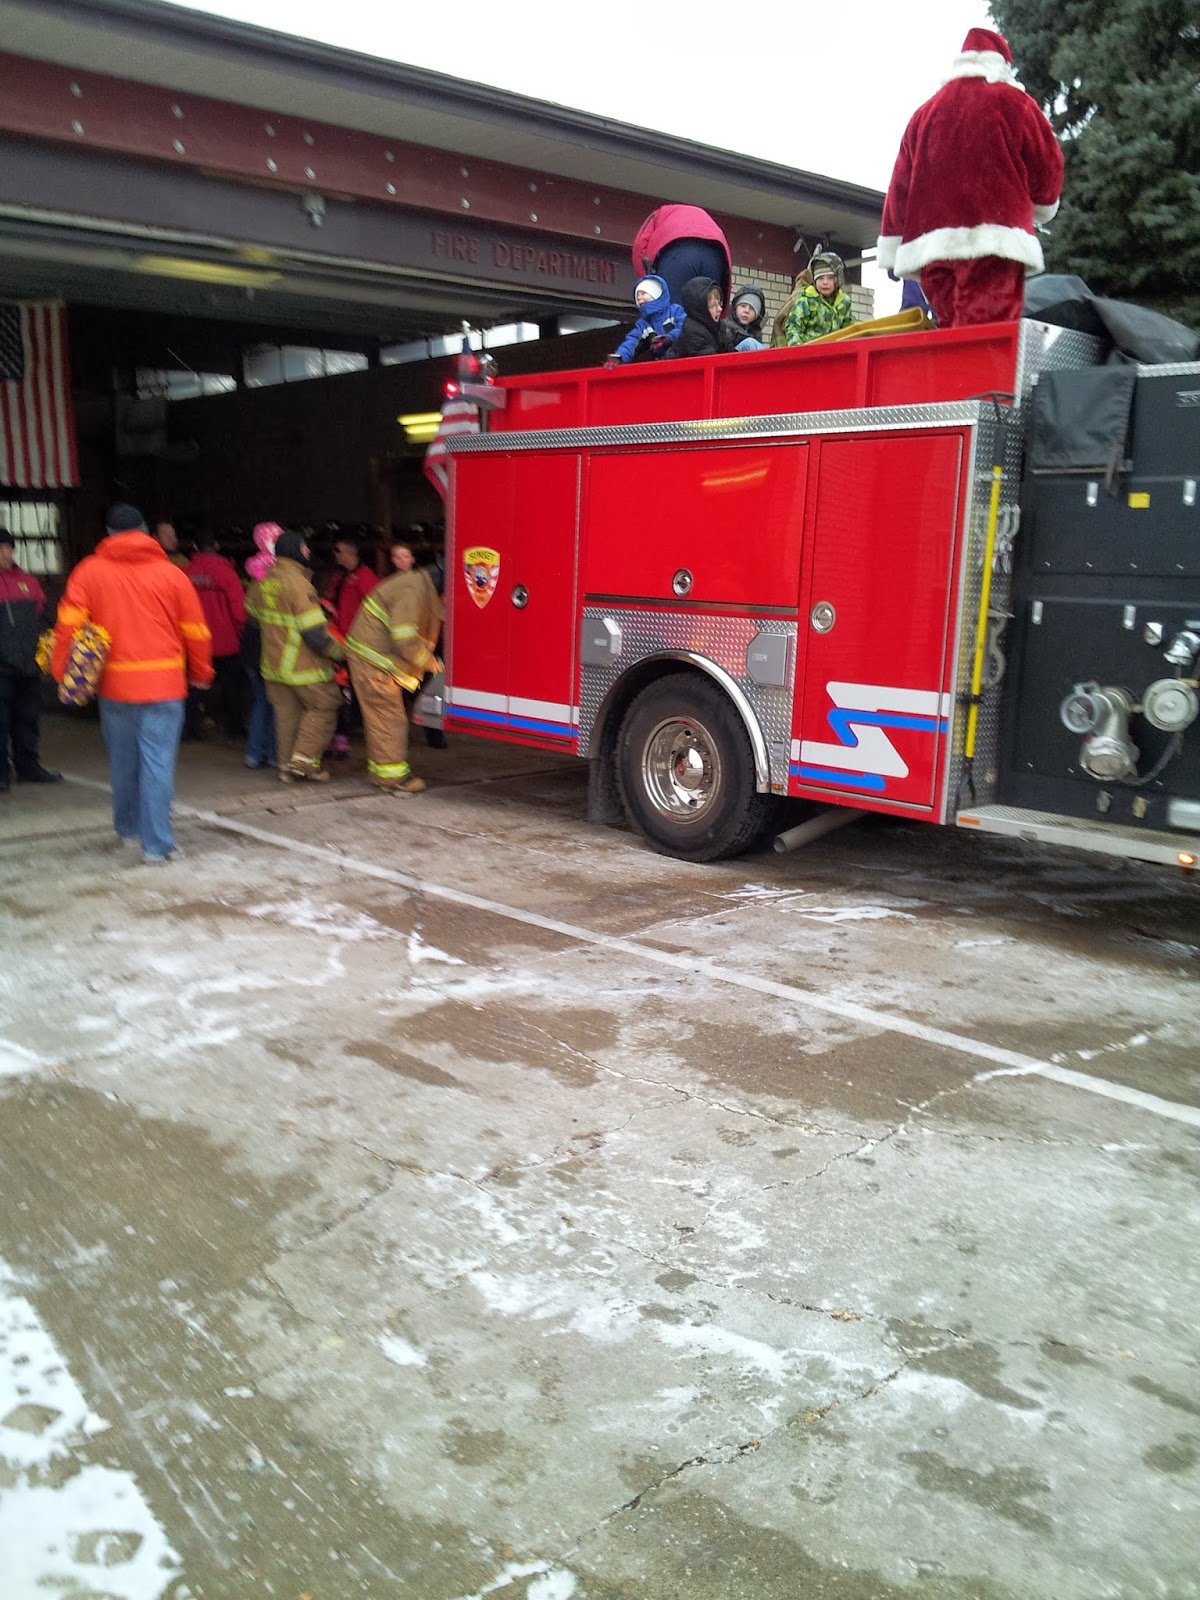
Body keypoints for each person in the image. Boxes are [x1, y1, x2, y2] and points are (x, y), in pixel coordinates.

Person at [51, 503, 213, 862]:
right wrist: (201, 673)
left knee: (123, 763)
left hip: (115, 689)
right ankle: (156, 846)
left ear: (107, 535)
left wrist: (62, 674)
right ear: (145, 532)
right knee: (157, 764)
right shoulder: (172, 575)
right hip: (164, 687)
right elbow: (196, 632)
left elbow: (68, 626)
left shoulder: (88, 572)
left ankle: (128, 831)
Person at [877, 27, 1064, 330]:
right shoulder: (1015, 102)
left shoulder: (923, 114)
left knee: (951, 331)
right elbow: (1048, 164)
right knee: (987, 333)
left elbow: (899, 185)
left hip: (931, 249)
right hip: (995, 239)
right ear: (1001, 63)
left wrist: (894, 239)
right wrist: (1041, 204)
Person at [345, 542, 444, 795]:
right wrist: (430, 663)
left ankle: (382, 773)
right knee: (390, 719)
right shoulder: (413, 591)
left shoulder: (417, 585)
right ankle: (393, 778)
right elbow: (405, 640)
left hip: (370, 657)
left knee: (382, 719)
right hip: (373, 661)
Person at [245, 528, 344, 783]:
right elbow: (315, 633)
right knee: (325, 705)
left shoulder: (262, 581)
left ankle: (285, 769)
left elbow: (253, 619)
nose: (308, 551)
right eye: (304, 547)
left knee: (286, 717)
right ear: (295, 550)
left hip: (273, 666)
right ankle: (305, 762)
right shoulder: (299, 585)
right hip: (302, 667)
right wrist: (341, 653)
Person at [0, 528, 61, 792]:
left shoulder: (29, 582)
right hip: (1, 667)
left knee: (28, 719)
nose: (5, 553)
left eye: (8, 548)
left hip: (29, 665)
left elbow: (45, 619)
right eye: (1, 548)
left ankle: (29, 768)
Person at [185, 530, 246, 740]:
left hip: (196, 643)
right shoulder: (227, 573)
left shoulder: (186, 573)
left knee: (195, 688)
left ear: (194, 546)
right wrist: (240, 634)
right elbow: (239, 612)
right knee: (232, 688)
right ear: (217, 545)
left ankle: (189, 730)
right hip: (226, 642)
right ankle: (234, 729)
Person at [323, 535, 379, 756]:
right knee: (340, 691)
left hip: (358, 644)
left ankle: (344, 736)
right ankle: (338, 736)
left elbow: (375, 608)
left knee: (352, 692)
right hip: (339, 642)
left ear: (349, 553)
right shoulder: (339, 578)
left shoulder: (365, 577)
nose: (335, 555)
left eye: (338, 550)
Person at [632, 204, 732, 314]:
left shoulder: (658, 214)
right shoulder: (703, 218)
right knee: (706, 315)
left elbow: (640, 246)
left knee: (670, 314)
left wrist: (648, 278)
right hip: (715, 253)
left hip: (679, 250)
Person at [240, 522, 279, 769]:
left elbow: (248, 612)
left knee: (261, 702)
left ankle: (255, 753)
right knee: (274, 704)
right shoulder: (277, 576)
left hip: (251, 648)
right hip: (268, 650)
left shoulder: (255, 578)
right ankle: (273, 754)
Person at [605, 274, 686, 366]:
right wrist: (620, 357)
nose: (639, 298)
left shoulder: (675, 311)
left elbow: (684, 328)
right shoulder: (643, 324)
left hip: (684, 359)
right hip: (662, 364)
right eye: (637, 296)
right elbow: (632, 342)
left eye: (643, 293)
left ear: (656, 293)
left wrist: (669, 338)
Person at [777, 252, 855, 345]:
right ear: (814, 280)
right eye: (820, 278)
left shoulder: (844, 302)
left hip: (835, 351)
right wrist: (797, 350)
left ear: (838, 279)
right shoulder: (806, 300)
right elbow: (793, 327)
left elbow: (849, 329)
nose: (825, 282)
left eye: (830, 278)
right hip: (809, 352)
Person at [668, 277, 736, 360]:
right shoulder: (693, 332)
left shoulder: (719, 325)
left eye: (719, 303)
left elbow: (731, 351)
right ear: (701, 309)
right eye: (713, 306)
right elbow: (711, 360)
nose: (720, 309)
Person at [728, 285, 769, 351]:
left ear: (757, 315)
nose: (746, 311)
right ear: (735, 308)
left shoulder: (756, 332)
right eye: (743, 306)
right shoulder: (725, 326)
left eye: (752, 308)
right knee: (749, 343)